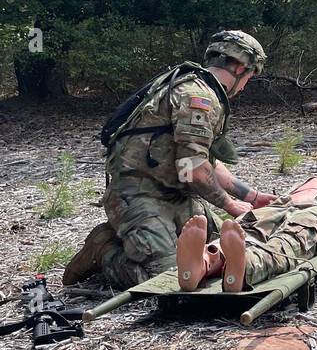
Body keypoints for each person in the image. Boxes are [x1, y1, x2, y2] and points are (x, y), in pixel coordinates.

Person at [64, 31, 273, 289]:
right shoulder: (199, 97)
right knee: (171, 279)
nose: (245, 86)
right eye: (250, 77)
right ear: (241, 67)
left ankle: (130, 239)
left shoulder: (200, 88)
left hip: (175, 195)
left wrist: (250, 196)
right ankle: (103, 250)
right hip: (139, 195)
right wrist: (231, 205)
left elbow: (205, 161)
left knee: (222, 252)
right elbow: (195, 170)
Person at [174, 173, 317, 292]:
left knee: (289, 241)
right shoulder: (316, 179)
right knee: (244, 228)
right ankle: (202, 264)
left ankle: (243, 265)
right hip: (284, 205)